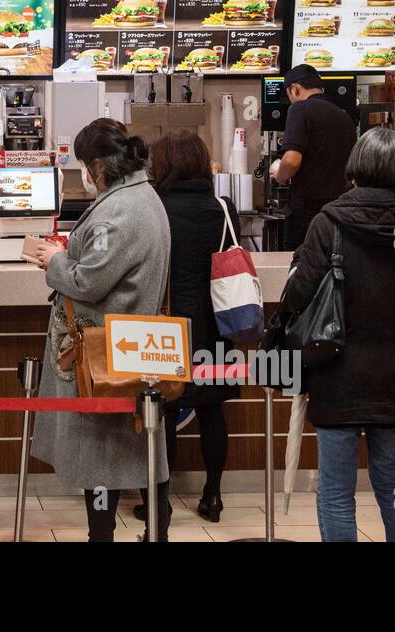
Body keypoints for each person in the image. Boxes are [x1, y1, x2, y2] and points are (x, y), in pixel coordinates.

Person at [275, 127, 395, 542]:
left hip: (337, 372)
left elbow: (298, 294)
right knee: (392, 482)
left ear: (356, 167)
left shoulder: (329, 221)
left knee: (336, 489)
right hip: (394, 374)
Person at [25, 118, 172, 542]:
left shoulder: (117, 212)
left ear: (98, 166)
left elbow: (89, 281)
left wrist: (54, 260)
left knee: (101, 457)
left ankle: (102, 537)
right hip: (135, 339)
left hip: (105, 350)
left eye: (84, 168)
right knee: (141, 446)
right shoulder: (144, 197)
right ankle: (156, 533)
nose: (83, 177)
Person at [142, 129, 240, 524]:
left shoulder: (154, 206)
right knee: (212, 408)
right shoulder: (224, 205)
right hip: (215, 321)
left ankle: (160, 501)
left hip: (167, 325)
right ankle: (213, 496)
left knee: (164, 410)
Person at [269, 64, 357, 250]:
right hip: (339, 211)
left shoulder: (299, 110)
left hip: (306, 214)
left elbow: (292, 160)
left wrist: (280, 175)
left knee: (299, 268)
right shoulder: (344, 117)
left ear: (295, 89)